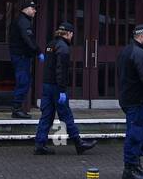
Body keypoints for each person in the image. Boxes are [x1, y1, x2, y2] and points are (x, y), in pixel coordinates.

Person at [33, 22, 96, 156]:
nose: (72, 36)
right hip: (56, 87)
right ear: (69, 33)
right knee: (66, 115)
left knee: (46, 115)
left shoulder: (51, 44)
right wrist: (62, 90)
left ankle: (40, 144)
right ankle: (79, 143)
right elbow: (61, 70)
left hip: (47, 85)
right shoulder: (63, 48)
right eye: (72, 34)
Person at [116, 24, 143, 179]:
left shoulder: (128, 51)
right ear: (141, 36)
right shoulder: (139, 54)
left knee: (141, 131)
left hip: (131, 98)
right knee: (135, 134)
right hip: (134, 100)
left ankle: (136, 165)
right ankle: (130, 168)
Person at [8, 0, 41, 119]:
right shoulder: (23, 22)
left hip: (21, 55)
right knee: (23, 81)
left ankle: (18, 108)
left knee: (24, 81)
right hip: (21, 56)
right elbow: (28, 39)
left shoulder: (22, 20)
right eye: (33, 8)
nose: (35, 11)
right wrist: (38, 51)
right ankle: (16, 109)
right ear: (25, 9)